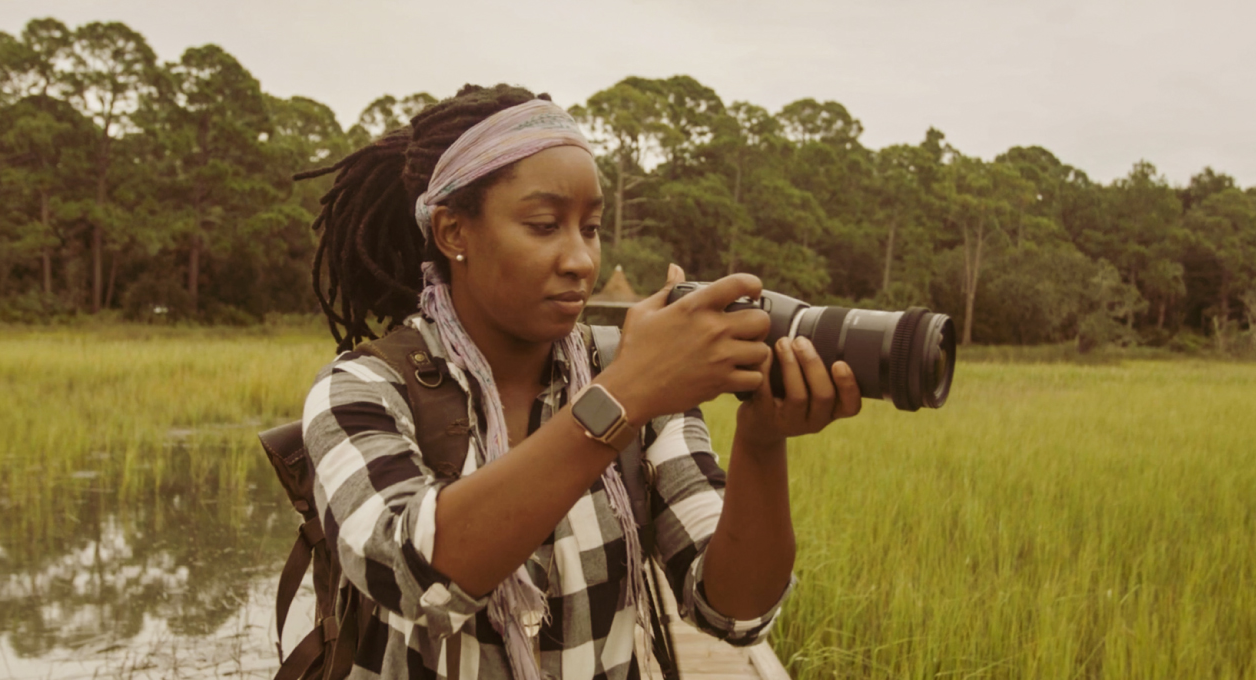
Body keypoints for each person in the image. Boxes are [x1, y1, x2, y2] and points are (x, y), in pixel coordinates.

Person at [301, 83, 861, 680]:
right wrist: (624, 395)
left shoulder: (633, 371)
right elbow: (412, 577)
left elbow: (733, 611)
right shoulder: (362, 388)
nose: (580, 260)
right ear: (452, 233)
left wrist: (762, 439)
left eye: (589, 227)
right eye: (545, 225)